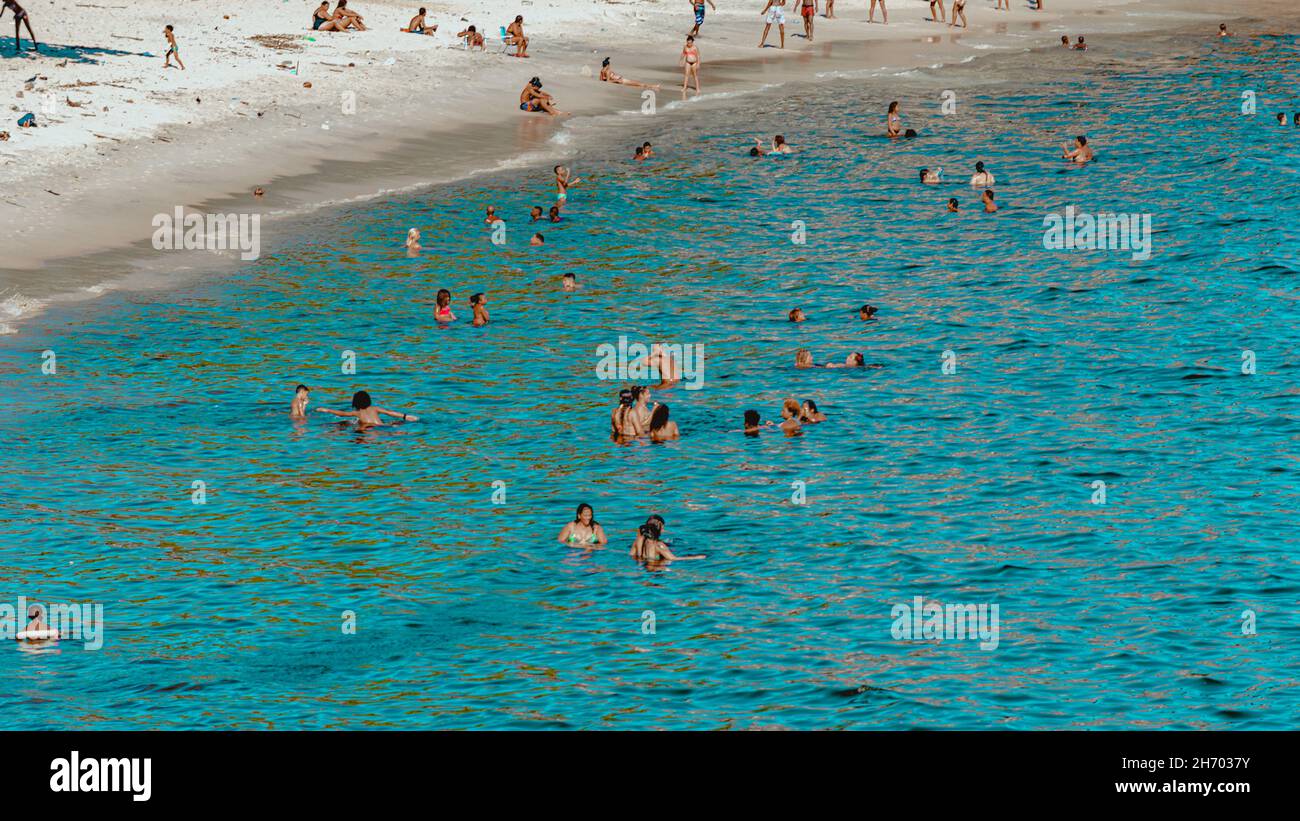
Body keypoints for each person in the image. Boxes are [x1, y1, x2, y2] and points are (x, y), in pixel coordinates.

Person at [315, 390, 418, 428]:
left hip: (370, 429)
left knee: (346, 424)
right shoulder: (375, 408)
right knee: (394, 423)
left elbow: (342, 413)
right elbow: (389, 412)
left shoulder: (358, 413)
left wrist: (326, 410)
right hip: (383, 426)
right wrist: (405, 416)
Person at [632, 519, 702, 562]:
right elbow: (673, 559)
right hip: (656, 569)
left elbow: (632, 555)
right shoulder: (658, 544)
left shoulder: (639, 541)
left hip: (645, 569)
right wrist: (697, 557)